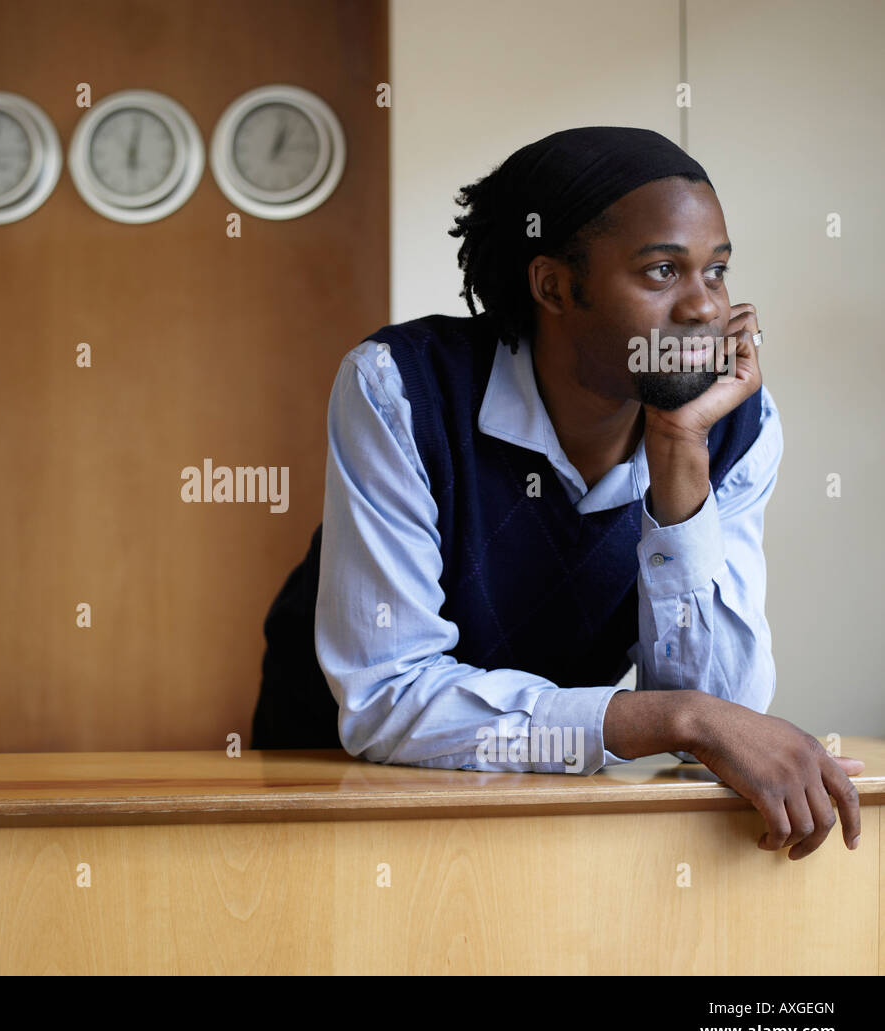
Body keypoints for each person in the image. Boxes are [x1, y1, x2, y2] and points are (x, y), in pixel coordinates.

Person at [251, 126, 861, 860]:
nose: (705, 308)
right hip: (343, 788)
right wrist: (678, 719)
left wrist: (677, 456)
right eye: (663, 270)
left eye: (717, 270)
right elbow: (389, 700)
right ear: (555, 286)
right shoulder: (403, 389)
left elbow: (720, 722)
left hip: (549, 792)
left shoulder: (729, 428)